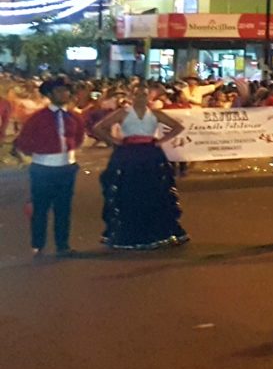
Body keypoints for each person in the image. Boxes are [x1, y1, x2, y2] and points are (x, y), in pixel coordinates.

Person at [91, 82, 189, 251]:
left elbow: (177, 127)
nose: (141, 98)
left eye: (144, 95)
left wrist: (161, 141)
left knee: (154, 191)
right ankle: (130, 231)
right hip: (129, 155)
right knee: (128, 191)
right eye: (138, 95)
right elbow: (99, 128)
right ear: (132, 96)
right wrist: (115, 141)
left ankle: (156, 232)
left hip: (150, 154)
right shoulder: (123, 113)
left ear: (149, 96)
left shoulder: (155, 113)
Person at [17, 79, 86, 257]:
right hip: (43, 168)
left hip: (67, 167)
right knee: (40, 208)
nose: (63, 94)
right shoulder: (38, 117)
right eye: (59, 91)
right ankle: (38, 244)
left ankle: (62, 244)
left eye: (65, 91)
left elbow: (78, 138)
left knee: (64, 209)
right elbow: (24, 141)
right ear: (49, 95)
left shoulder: (74, 116)